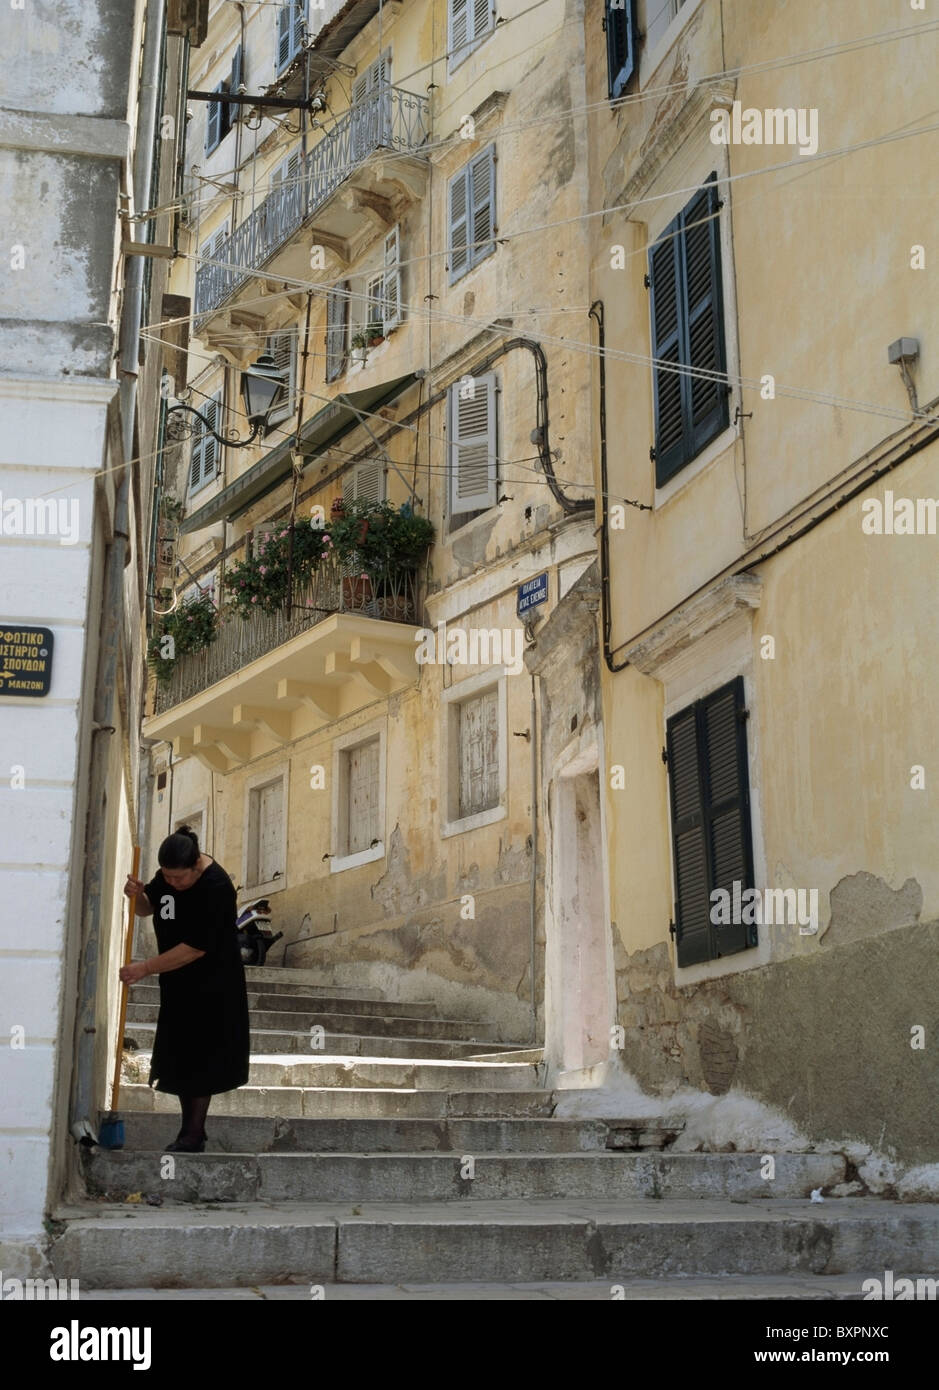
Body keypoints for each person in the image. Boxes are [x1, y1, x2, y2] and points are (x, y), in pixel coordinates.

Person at [120, 826, 250, 1152]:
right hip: (177, 979)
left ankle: (193, 1134)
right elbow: (148, 907)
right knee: (179, 1052)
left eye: (181, 879)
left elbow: (195, 948)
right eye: (169, 878)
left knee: (201, 1053)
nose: (174, 884)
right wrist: (137, 894)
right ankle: (189, 1130)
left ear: (196, 866)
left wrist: (145, 967)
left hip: (213, 981)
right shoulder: (168, 876)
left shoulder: (217, 886)